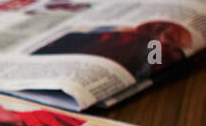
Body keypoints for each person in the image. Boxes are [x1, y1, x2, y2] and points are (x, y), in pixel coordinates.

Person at [32, 19, 192, 79]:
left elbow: (149, 69)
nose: (157, 29)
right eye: (160, 27)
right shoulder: (122, 33)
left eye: (168, 36)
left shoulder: (156, 52)